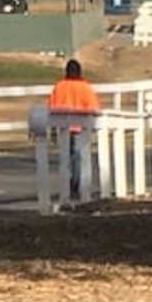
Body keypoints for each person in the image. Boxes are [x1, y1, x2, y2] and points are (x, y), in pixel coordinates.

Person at [47, 59, 101, 198]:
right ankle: (75, 184)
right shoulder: (85, 87)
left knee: (67, 159)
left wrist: (52, 128)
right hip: (80, 128)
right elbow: (93, 109)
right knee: (79, 158)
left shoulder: (59, 86)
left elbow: (51, 108)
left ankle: (70, 184)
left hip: (63, 127)